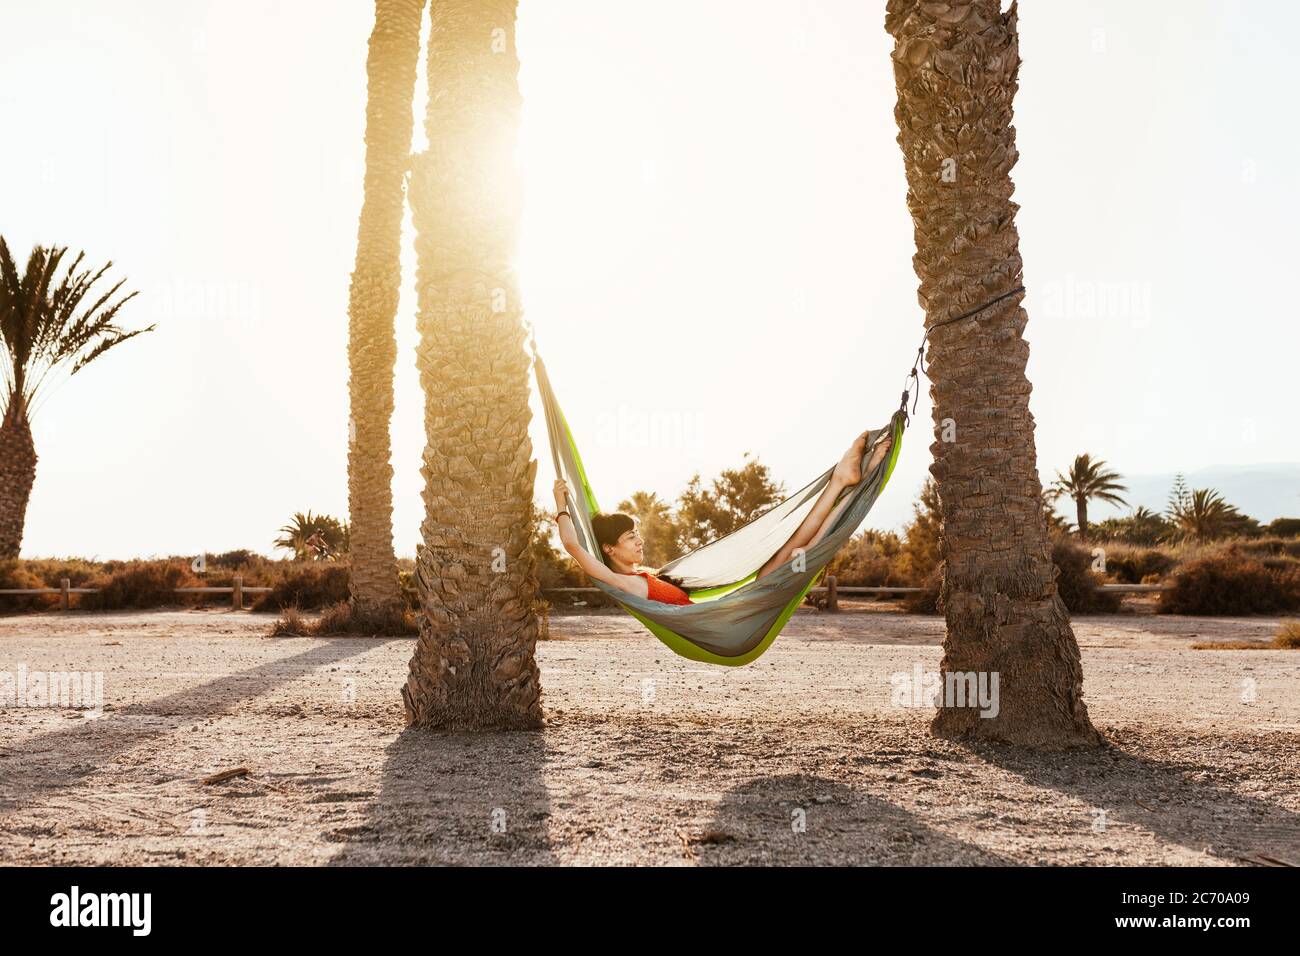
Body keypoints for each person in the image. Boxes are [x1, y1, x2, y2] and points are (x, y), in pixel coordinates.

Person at [551, 428, 891, 605]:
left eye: (637, 533)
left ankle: (843, 483)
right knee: (798, 553)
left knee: (792, 549)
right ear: (609, 549)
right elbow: (574, 546)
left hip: (729, 609)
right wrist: (560, 503)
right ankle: (845, 484)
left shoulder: (645, 574)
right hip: (729, 617)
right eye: (629, 537)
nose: (640, 540)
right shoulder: (623, 582)